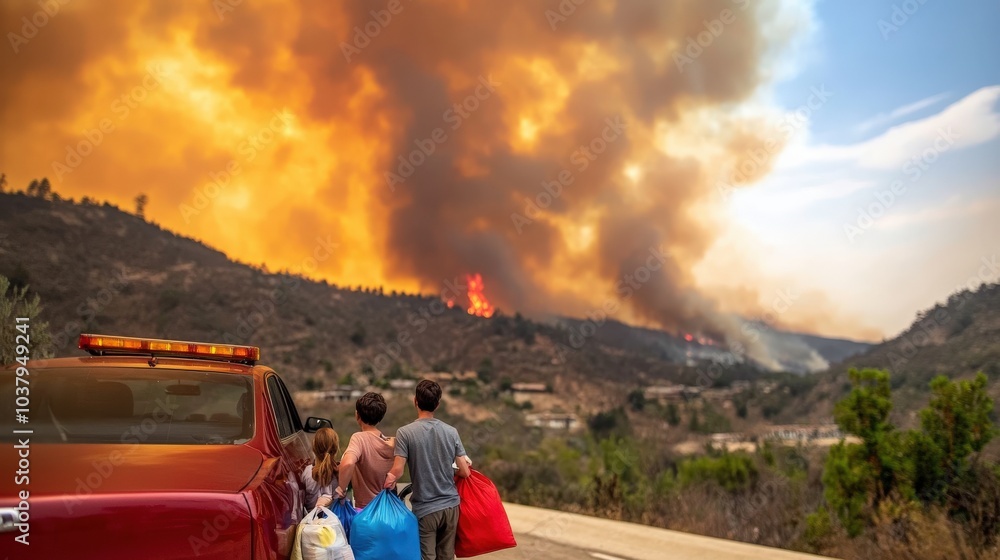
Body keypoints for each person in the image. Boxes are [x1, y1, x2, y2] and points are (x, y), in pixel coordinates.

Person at [385, 380, 472, 560]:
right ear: (438, 404)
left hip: (426, 509)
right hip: (451, 507)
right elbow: (465, 472)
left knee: (427, 557)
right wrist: (449, 470)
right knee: (446, 557)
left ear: (415, 401)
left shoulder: (405, 433)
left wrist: (386, 480)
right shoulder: (451, 431)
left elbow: (398, 471)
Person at [334, 392, 396, 509]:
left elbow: (348, 463)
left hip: (366, 511)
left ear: (357, 415)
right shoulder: (392, 442)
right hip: (389, 509)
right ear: (380, 417)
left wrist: (341, 489)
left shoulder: (359, 438)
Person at [302, 427, 339, 511]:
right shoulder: (339, 472)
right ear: (335, 449)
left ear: (314, 448)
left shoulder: (307, 472)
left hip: (311, 519)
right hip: (335, 519)